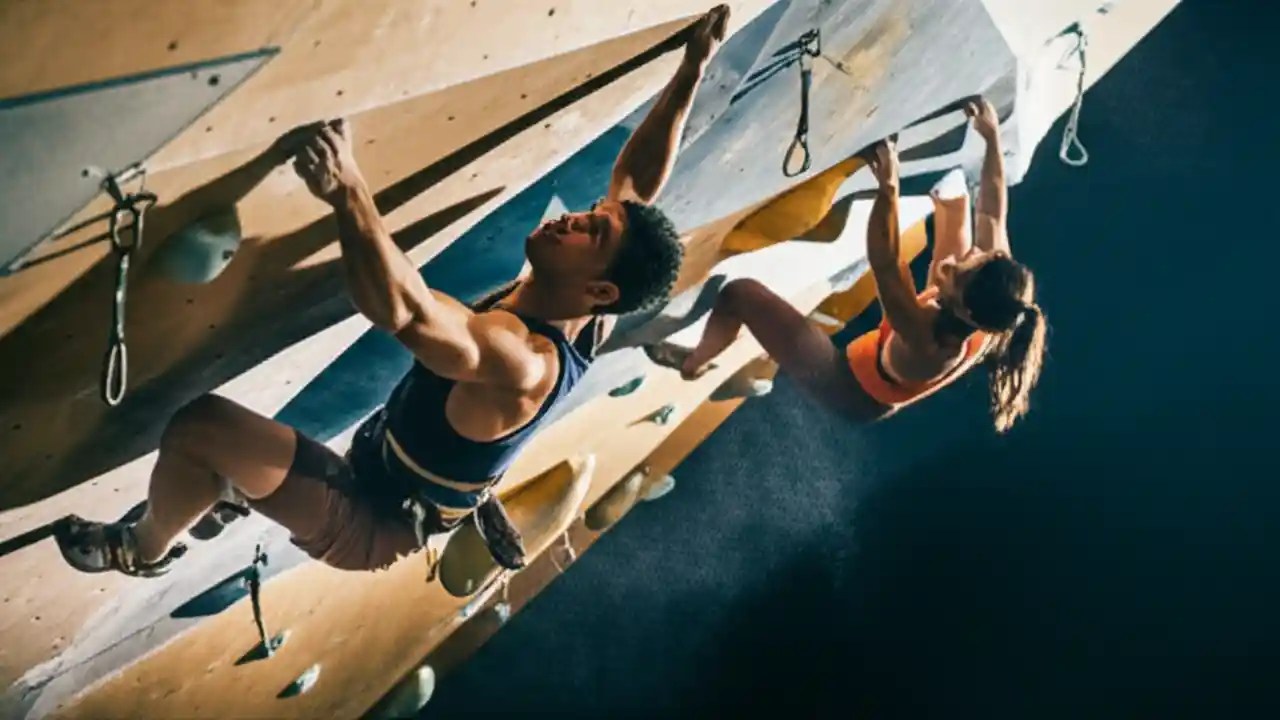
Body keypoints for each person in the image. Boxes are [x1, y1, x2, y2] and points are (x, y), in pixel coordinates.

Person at [54, 5, 732, 578]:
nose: (575, 215)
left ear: (600, 285)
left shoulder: (520, 358)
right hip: (387, 458)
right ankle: (229, 490)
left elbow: (403, 310)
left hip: (374, 522)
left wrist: (348, 188)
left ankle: (141, 548)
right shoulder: (591, 310)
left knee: (199, 429)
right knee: (227, 453)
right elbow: (636, 190)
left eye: (590, 231)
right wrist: (692, 68)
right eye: (590, 214)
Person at [646, 98, 1048, 433]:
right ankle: (770, 355)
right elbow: (992, 214)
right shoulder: (1005, 289)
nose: (961, 263)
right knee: (956, 195)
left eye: (960, 277)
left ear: (966, 311)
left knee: (739, 295)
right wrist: (993, 136)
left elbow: (887, 265)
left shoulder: (931, 345)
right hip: (918, 330)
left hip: (850, 385)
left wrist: (888, 187)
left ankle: (694, 362)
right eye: (976, 260)